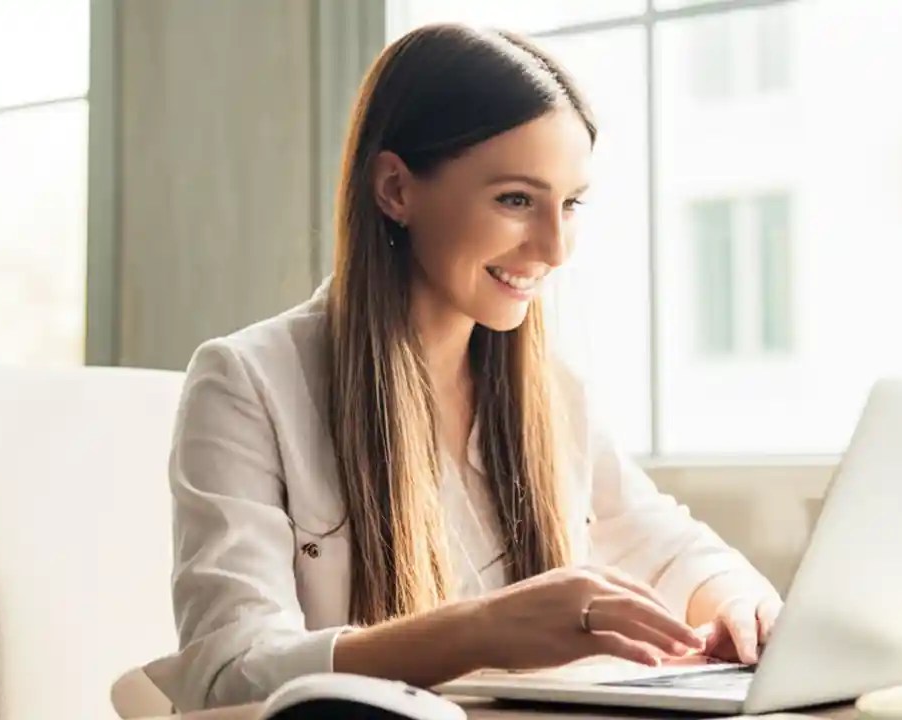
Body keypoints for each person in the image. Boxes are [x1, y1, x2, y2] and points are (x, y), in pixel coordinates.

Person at [143, 22, 783, 712]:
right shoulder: (248, 384)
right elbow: (225, 674)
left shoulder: (555, 394)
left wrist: (741, 602)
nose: (556, 247)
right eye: (515, 200)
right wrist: (482, 631)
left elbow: (669, 546)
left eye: (570, 204)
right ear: (395, 189)